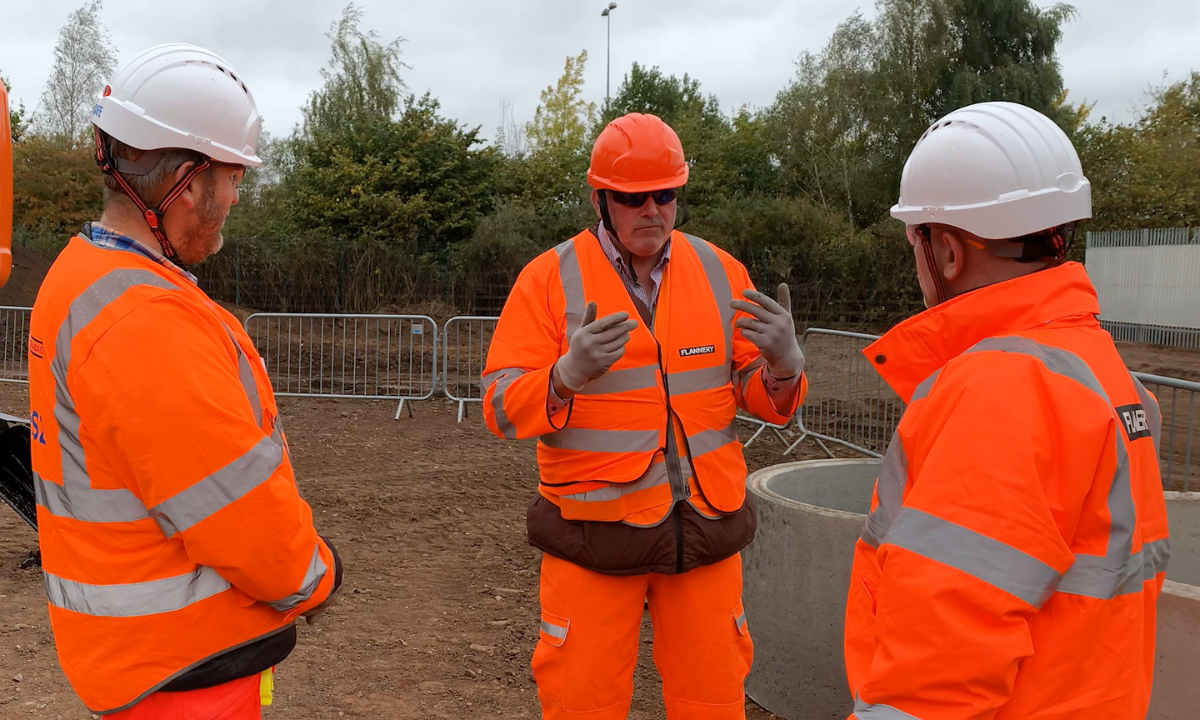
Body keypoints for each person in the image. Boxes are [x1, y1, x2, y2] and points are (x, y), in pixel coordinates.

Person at [28, 44, 342, 718]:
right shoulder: (144, 318)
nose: (235, 196)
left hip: (145, 660)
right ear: (187, 184)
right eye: (233, 176)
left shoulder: (81, 275)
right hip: (183, 673)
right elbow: (234, 511)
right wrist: (314, 576)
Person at [844, 101, 1170, 719]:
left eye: (916, 237)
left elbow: (939, 669)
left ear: (947, 251)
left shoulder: (1002, 388)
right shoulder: (1102, 369)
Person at [481, 112, 808, 719]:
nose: (652, 210)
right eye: (633, 198)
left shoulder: (721, 272)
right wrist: (563, 376)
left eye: (665, 194)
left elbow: (760, 396)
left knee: (714, 705)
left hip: (706, 534)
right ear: (601, 201)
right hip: (595, 541)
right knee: (581, 706)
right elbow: (499, 407)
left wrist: (784, 366)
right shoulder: (549, 278)